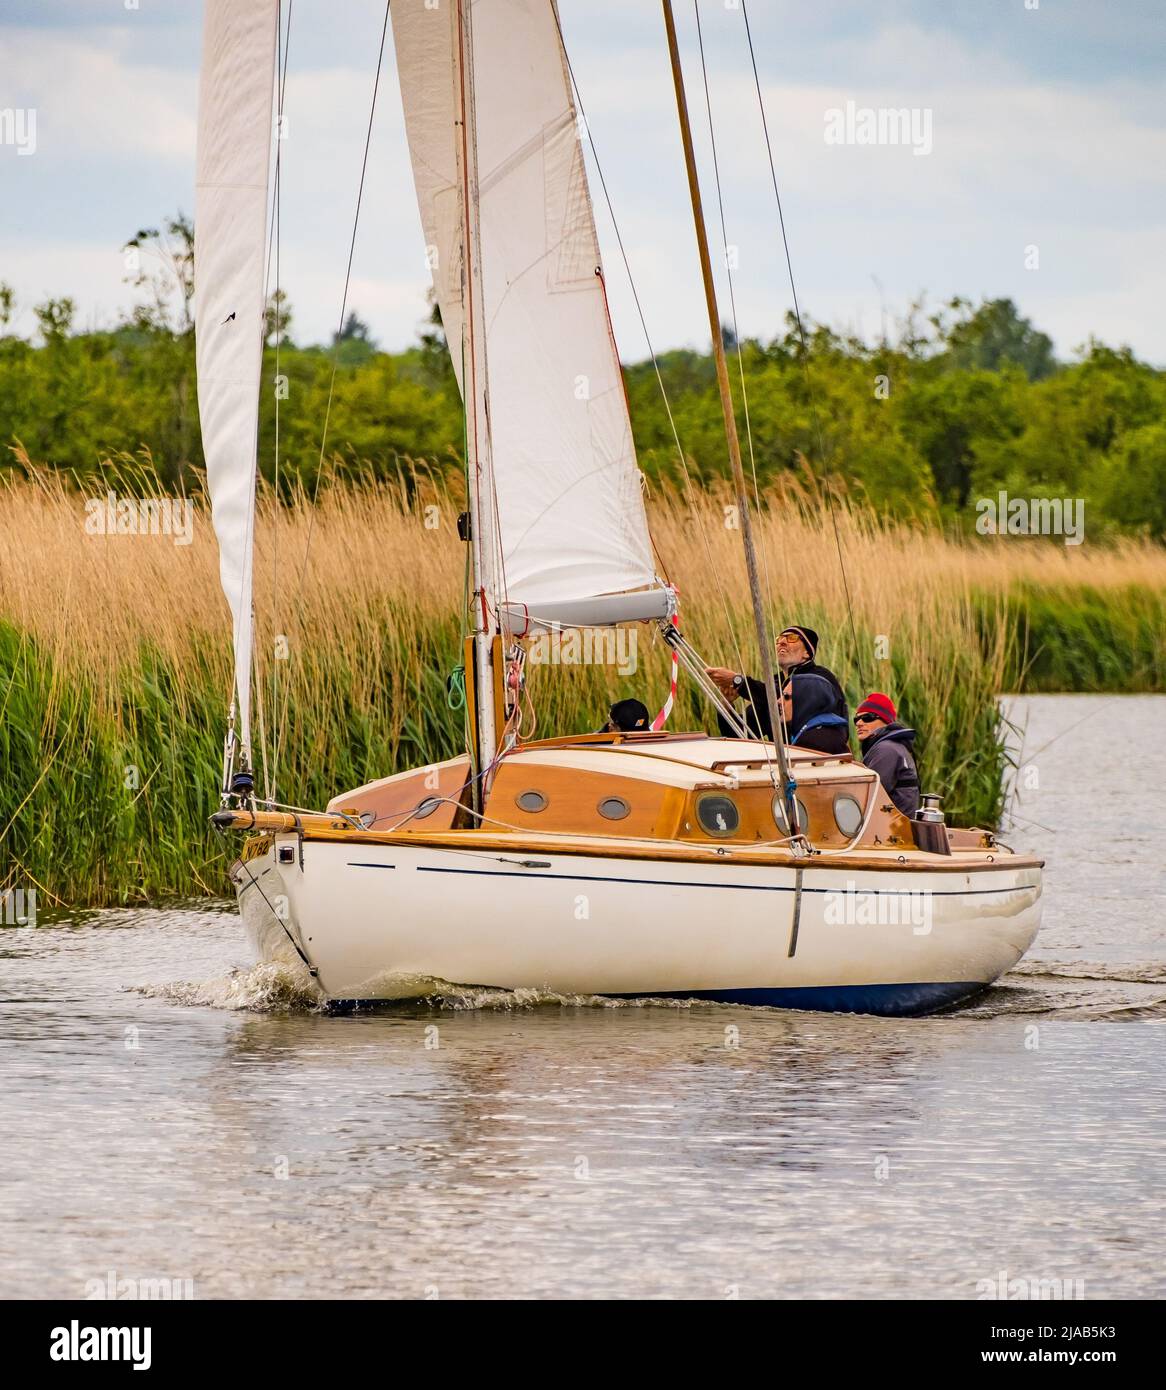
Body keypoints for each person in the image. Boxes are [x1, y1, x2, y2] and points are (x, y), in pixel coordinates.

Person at [706, 624, 849, 741]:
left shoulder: (819, 678)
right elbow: (739, 733)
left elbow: (789, 697)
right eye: (779, 638)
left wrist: (739, 682)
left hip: (818, 757)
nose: (782, 641)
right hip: (784, 766)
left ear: (807, 653)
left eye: (792, 638)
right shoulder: (774, 684)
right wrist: (726, 705)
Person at [855, 692, 919, 816]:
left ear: (885, 720)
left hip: (892, 829)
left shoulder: (886, 749)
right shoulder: (894, 746)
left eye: (868, 717)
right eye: (856, 719)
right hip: (896, 825)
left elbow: (868, 796)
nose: (859, 723)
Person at [780, 678, 850, 754]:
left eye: (786, 696)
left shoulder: (813, 741)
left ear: (807, 701)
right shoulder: (830, 734)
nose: (779, 701)